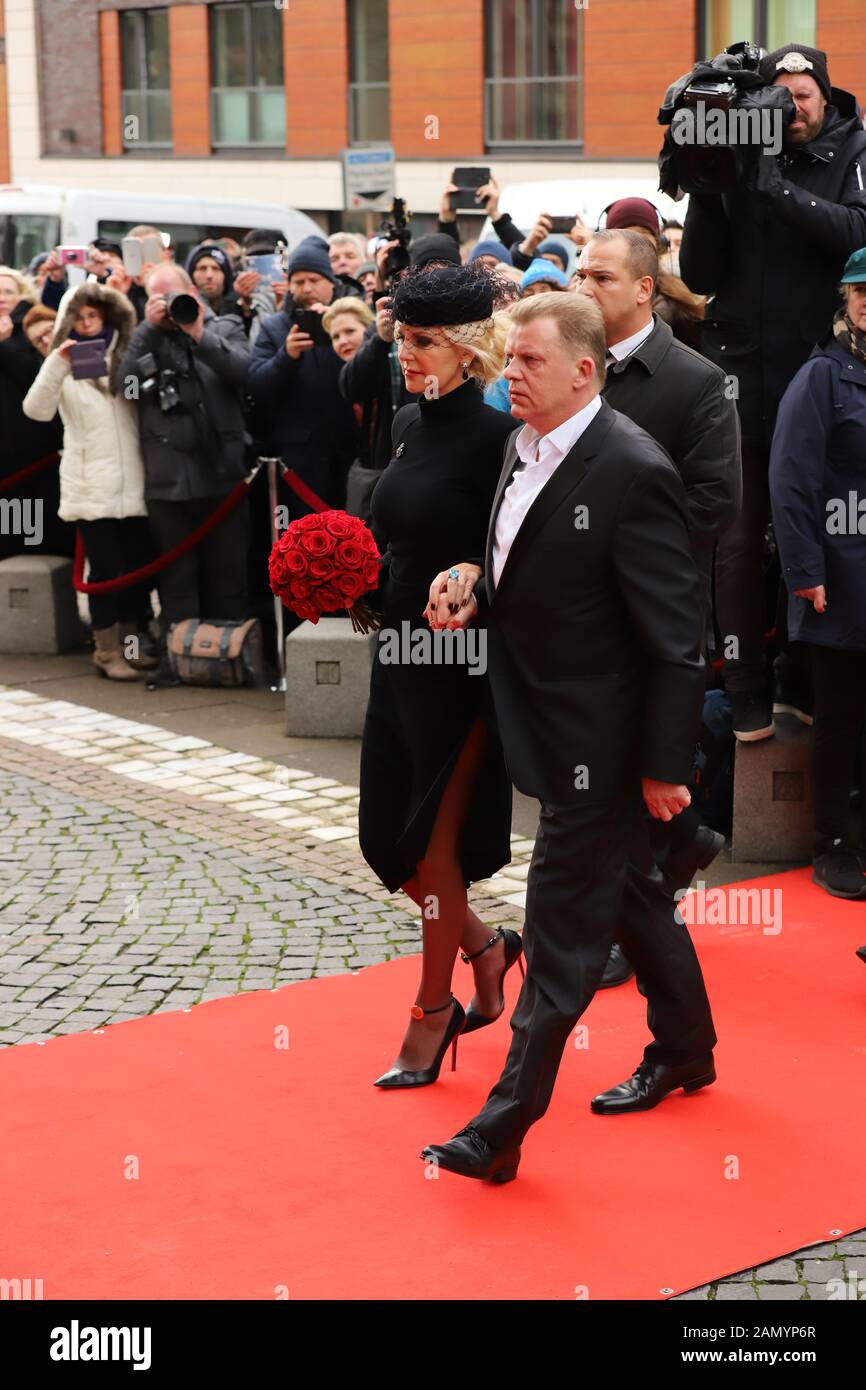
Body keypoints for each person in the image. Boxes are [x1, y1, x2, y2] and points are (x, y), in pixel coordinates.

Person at [420, 293, 715, 1182]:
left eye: (529, 362)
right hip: (543, 723)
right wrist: (475, 577)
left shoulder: (631, 467)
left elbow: (677, 635)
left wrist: (666, 764)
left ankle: (501, 1128)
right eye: (508, 360)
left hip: (605, 745)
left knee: (559, 933)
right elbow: (525, 554)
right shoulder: (522, 445)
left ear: (585, 371)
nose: (509, 374)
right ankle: (687, 1047)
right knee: (632, 894)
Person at [358, 263, 523, 1088]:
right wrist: (349, 577)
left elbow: (511, 558)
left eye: (423, 343)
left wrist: (469, 575)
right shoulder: (411, 427)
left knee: (434, 846)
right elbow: (397, 540)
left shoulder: (502, 443)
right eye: (401, 339)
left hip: (462, 672)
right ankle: (489, 950)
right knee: (386, 842)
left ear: (467, 349)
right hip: (398, 658)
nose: (407, 356)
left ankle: (432, 1012)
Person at [680, 43, 866, 740]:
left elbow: (856, 233)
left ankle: (799, 674)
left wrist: (772, 187)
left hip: (816, 372)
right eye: (778, 97)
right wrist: (710, 180)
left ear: (825, 94)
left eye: (803, 95)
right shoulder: (737, 153)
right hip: (735, 368)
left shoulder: (854, 150)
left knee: (807, 528)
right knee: (734, 529)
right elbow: (699, 274)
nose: (791, 108)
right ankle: (746, 681)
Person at [575, 228, 741, 985]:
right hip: (574, 607)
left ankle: (633, 923)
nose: (584, 286)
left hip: (653, 611)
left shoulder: (696, 381)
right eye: (580, 272)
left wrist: (620, 553)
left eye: (601, 276)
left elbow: (715, 502)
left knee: (639, 764)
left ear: (644, 288)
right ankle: (671, 856)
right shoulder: (572, 367)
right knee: (596, 765)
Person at [769, 247, 866, 901]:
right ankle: (830, 843)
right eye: (863, 293)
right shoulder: (822, 378)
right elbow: (790, 481)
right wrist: (804, 569)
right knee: (839, 716)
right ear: (848, 301)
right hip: (842, 577)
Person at [23, 282, 154, 678]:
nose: (87, 323)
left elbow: (141, 403)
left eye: (93, 316)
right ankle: (107, 652)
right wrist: (58, 362)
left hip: (134, 481)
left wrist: (128, 369)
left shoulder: (127, 356)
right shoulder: (60, 363)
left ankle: (132, 647)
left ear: (107, 317)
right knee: (105, 572)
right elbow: (36, 411)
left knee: (135, 571)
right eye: (79, 318)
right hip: (90, 484)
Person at [119, 264, 251, 650]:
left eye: (173, 295)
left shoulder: (225, 327)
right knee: (176, 578)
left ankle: (231, 654)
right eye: (156, 296)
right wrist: (146, 331)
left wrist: (198, 333)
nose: (167, 304)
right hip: (167, 480)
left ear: (191, 291)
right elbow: (126, 390)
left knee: (228, 574)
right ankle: (180, 656)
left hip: (223, 473)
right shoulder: (143, 339)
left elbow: (244, 372)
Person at [248, 236, 358, 518]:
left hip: (349, 451)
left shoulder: (350, 321)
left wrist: (339, 331)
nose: (307, 288)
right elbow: (258, 387)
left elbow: (368, 375)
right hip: (296, 461)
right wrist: (287, 356)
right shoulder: (274, 328)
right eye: (298, 281)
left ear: (331, 282)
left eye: (314, 279)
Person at [0, 266, 68, 560]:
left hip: (34, 455)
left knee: (32, 537)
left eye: (8, 291)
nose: (1, 298)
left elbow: (37, 376)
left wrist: (2, 345)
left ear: (22, 295)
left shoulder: (35, 326)